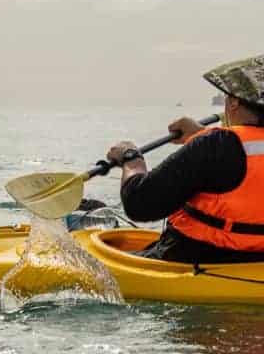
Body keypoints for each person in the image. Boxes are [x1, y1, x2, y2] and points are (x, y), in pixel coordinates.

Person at [106, 54, 264, 264]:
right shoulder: (215, 146)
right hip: (256, 264)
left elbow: (139, 204)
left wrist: (131, 158)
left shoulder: (214, 145)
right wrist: (198, 135)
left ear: (234, 102)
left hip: (196, 259)